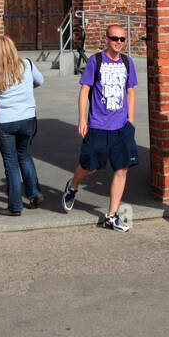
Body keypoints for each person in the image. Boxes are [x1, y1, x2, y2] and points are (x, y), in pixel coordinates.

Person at [62, 23, 138, 231]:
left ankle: (111, 216)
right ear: (106, 39)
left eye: (122, 39)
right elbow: (84, 90)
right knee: (90, 167)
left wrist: (130, 119)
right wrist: (81, 119)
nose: (119, 43)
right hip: (98, 125)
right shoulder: (95, 61)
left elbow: (130, 92)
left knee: (122, 168)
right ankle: (73, 185)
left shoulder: (127, 62)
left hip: (121, 126)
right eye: (115, 39)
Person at [0, 34, 44, 216]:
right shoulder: (27, 64)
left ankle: (15, 206)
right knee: (24, 154)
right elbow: (40, 81)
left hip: (4, 121)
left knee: (10, 163)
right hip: (26, 117)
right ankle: (34, 193)